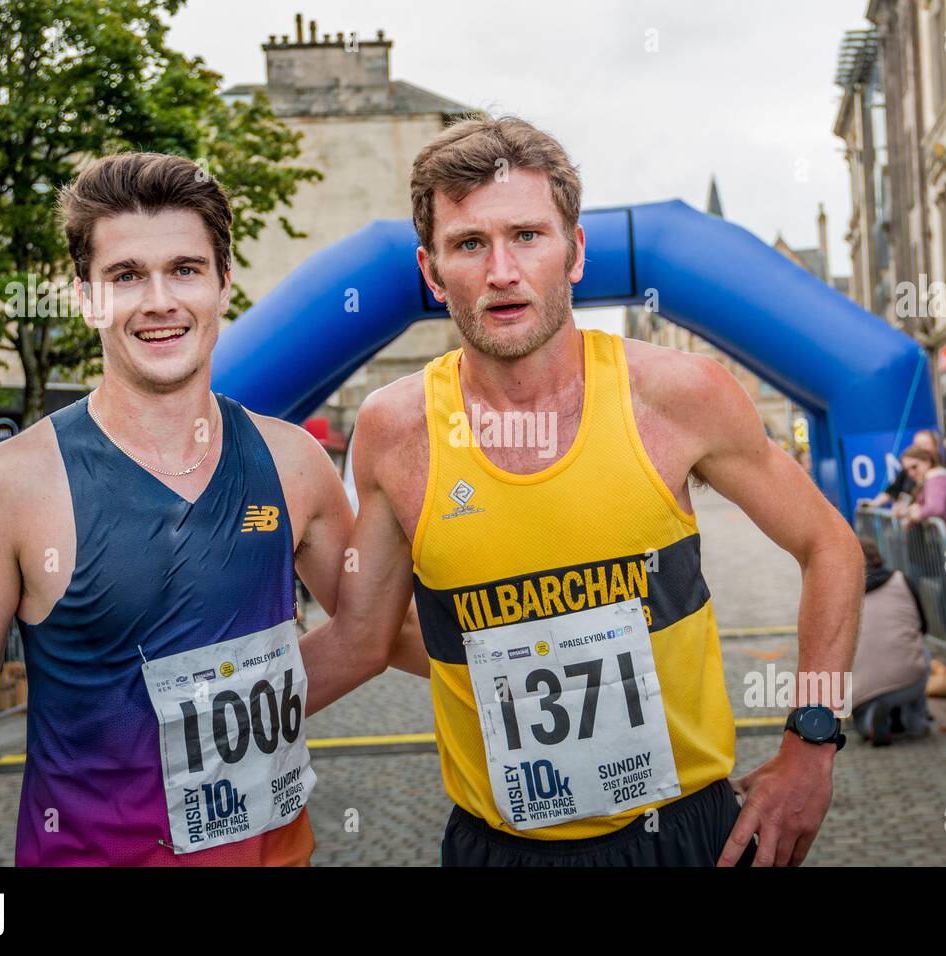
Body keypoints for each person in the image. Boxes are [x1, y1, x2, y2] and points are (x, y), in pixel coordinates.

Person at [301, 114, 864, 867]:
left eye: (528, 236)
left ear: (574, 252)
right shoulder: (395, 429)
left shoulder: (675, 395)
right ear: (432, 272)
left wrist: (812, 742)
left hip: (683, 837)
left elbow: (828, 545)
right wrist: (146, 737)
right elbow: (358, 641)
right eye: (470, 244)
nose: (502, 270)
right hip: (497, 846)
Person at [0, 152, 424, 866]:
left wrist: (533, 654)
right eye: (126, 276)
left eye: (185, 269)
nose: (159, 300)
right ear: (87, 298)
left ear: (223, 284)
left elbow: (372, 633)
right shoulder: (10, 484)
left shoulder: (292, 462)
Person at [851, 538, 930, 746]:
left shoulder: (842, 593)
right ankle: (915, 723)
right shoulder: (902, 580)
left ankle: (870, 722)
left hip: (860, 688)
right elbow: (923, 626)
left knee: (861, 714)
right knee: (919, 645)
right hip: (907, 680)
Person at [868, 429, 944, 508]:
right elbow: (893, 490)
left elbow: (936, 506)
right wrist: (874, 503)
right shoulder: (907, 472)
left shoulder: (942, 473)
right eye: (917, 445)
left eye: (925, 444)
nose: (912, 473)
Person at [898, 445, 946, 526]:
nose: (911, 473)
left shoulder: (936, 476)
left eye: (914, 467)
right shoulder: (929, 478)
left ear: (927, 461)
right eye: (907, 470)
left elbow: (935, 508)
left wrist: (918, 513)